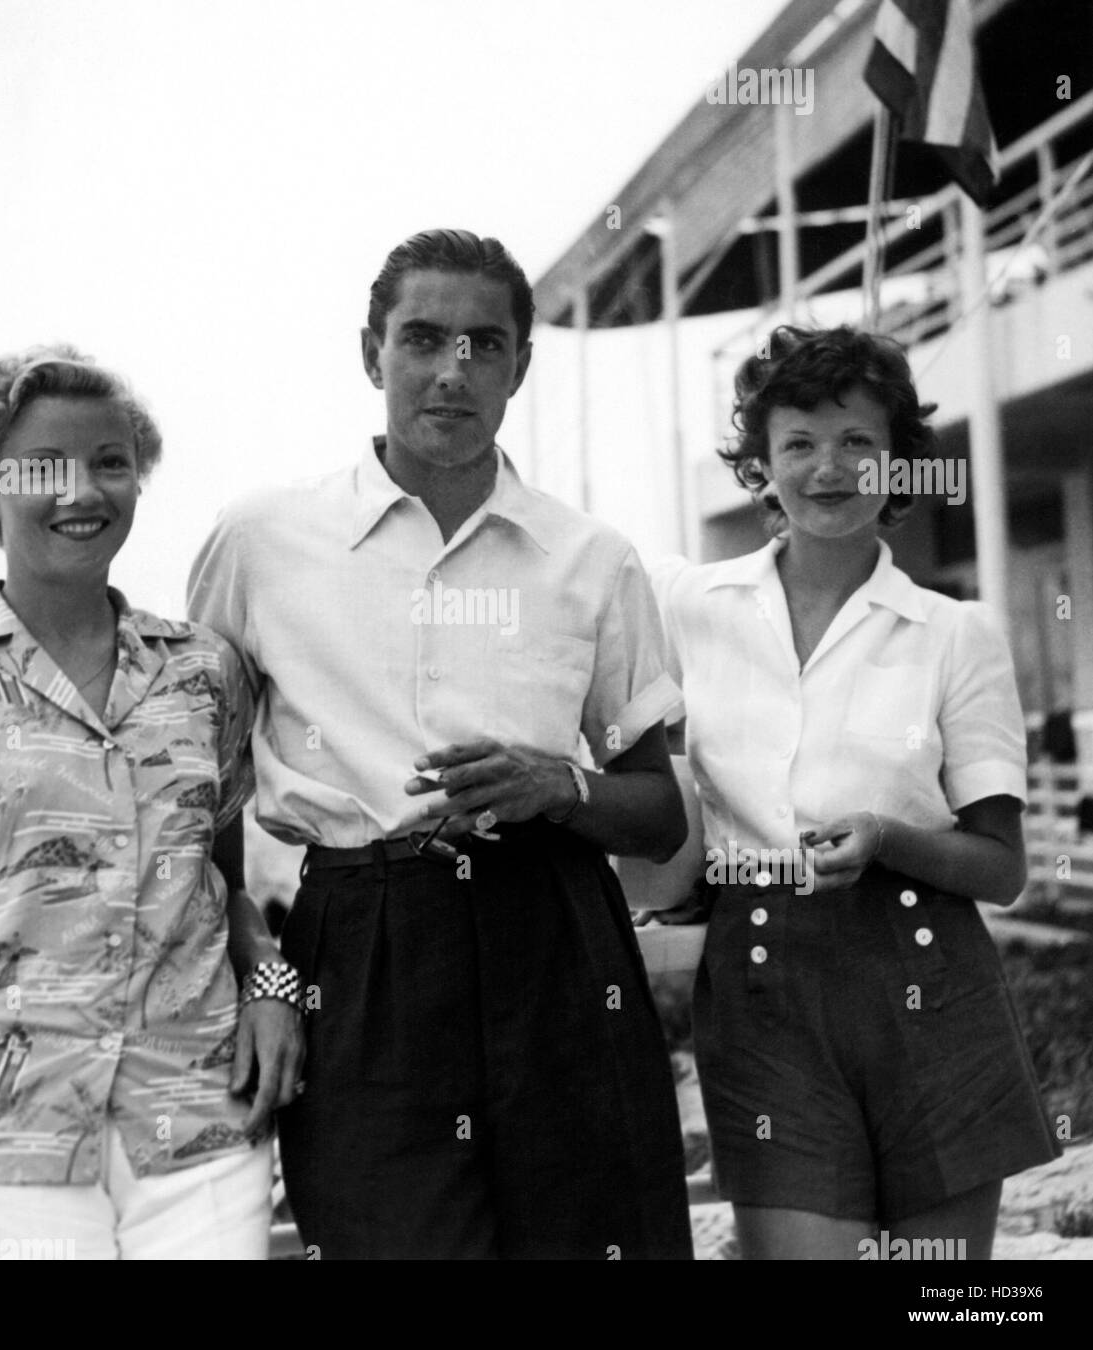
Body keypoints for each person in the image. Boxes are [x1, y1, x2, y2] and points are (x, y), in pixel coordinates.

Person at [188, 228, 694, 1260]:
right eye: (422, 339)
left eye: (484, 345)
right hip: (362, 948)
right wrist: (264, 980)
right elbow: (202, 803)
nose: (451, 372)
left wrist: (562, 785)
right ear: (371, 353)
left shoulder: (592, 560)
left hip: (555, 935)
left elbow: (660, 812)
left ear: (519, 365)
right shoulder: (259, 543)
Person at [0, 345, 303, 1259]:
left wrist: (273, 982)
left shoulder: (206, 675)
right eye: (44, 466)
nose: (81, 491)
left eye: (110, 462)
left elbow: (219, 886)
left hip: (199, 1134)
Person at [653, 324, 1060, 1260]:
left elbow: (1000, 870)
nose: (826, 468)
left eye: (857, 443)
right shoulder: (686, 605)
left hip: (931, 982)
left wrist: (884, 834)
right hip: (763, 988)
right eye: (796, 443)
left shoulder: (955, 634)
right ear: (759, 465)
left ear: (900, 464)